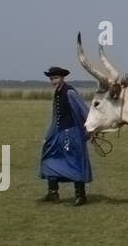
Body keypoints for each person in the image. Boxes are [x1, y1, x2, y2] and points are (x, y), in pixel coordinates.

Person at [38, 66, 93, 204]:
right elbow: (56, 117)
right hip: (57, 133)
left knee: (74, 162)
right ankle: (53, 192)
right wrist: (49, 135)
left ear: (62, 78)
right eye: (51, 79)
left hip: (72, 133)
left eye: (56, 78)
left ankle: (81, 196)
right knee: (49, 158)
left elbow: (83, 111)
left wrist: (89, 129)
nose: (53, 81)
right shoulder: (57, 92)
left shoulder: (70, 92)